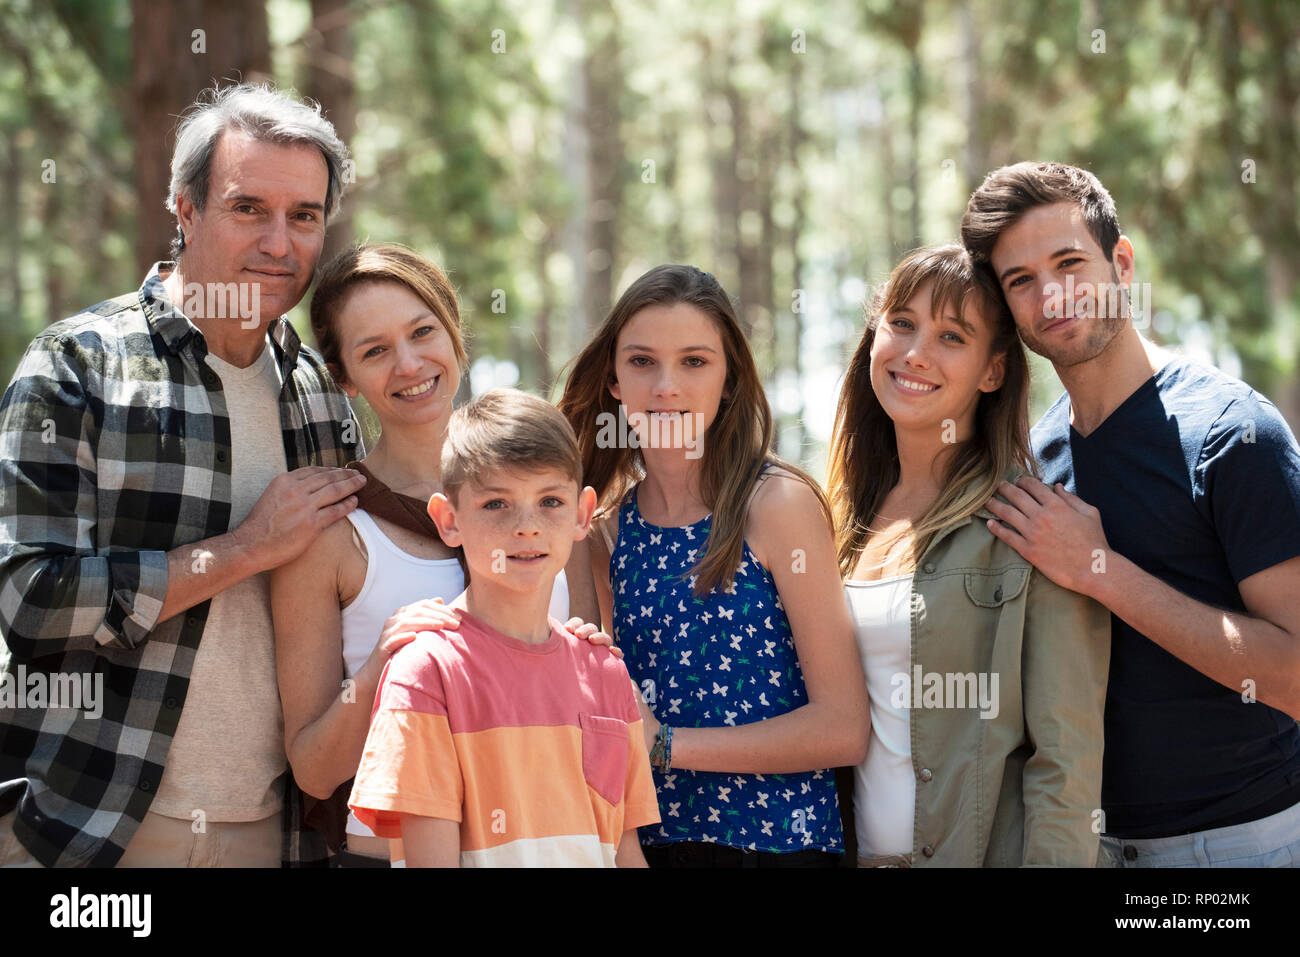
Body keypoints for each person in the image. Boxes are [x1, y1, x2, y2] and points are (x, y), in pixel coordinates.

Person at [0, 82, 366, 868]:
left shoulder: (320, 397)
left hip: (273, 830)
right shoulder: (79, 364)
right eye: (248, 207)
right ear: (185, 210)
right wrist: (242, 550)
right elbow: (29, 600)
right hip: (98, 829)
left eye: (304, 216)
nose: (279, 241)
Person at [962, 161, 1300, 867]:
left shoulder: (1233, 432)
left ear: (1121, 263)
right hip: (1095, 847)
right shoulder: (1036, 457)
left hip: (1246, 842)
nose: (1050, 294)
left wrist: (1101, 570)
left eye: (1068, 262)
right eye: (1020, 280)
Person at [271, 244, 583, 866]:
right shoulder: (333, 533)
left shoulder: (550, 499)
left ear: (454, 333)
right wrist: (379, 667)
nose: (410, 363)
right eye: (375, 350)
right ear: (343, 377)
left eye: (423, 331)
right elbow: (311, 769)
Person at [558, 263, 869, 867]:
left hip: (779, 848)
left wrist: (667, 745)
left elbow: (843, 727)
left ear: (728, 379)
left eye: (695, 361)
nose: (666, 386)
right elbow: (596, 706)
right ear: (615, 381)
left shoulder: (776, 506)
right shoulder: (605, 530)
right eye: (642, 362)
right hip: (648, 848)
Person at [825, 243, 1109, 866]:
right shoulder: (838, 522)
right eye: (902, 323)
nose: (916, 352)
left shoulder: (1031, 522)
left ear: (994, 371)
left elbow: (1066, 759)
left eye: (952, 336)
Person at [346, 389, 658, 866]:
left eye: (550, 500)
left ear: (581, 514)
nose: (527, 526)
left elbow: (625, 852)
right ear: (449, 520)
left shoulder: (607, 673)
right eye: (496, 504)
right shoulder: (424, 672)